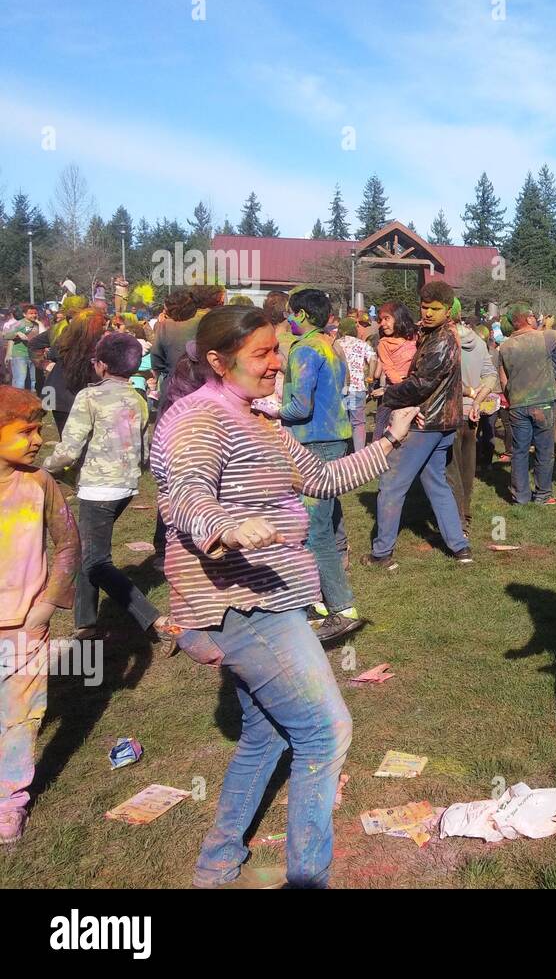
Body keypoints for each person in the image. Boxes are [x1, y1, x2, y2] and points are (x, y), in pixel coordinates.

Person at [150, 305, 415, 887]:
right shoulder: (198, 421)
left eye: (278, 349)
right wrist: (223, 526)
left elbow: (320, 479)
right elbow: (186, 496)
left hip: (270, 593)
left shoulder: (254, 420)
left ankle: (217, 866)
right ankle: (308, 879)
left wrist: (391, 441)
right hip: (242, 601)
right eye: (263, 354)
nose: (277, 364)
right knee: (325, 731)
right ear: (218, 361)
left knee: (265, 734)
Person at [41, 332, 172, 651]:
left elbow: (69, 450)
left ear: (100, 365)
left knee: (97, 561)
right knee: (89, 551)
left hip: (98, 488)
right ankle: (85, 624)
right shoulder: (138, 399)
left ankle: (154, 619)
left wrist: (43, 468)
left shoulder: (89, 397)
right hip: (127, 485)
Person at [0, 386, 81, 843]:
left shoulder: (39, 483)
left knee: (21, 715)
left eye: (39, 430)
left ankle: (9, 801)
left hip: (25, 623)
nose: (37, 441)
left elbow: (68, 544)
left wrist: (48, 602)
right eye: (24, 431)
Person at [367, 281, 471, 567]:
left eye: (434, 309)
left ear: (448, 310)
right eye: (424, 307)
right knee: (436, 483)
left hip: (426, 422)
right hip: (442, 422)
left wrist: (386, 394)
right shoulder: (435, 332)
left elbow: (421, 385)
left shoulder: (442, 341)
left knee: (391, 484)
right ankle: (460, 547)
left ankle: (382, 553)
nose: (426, 313)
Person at [280, 289, 363, 642]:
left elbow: (300, 406)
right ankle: (317, 604)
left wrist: (269, 412)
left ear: (300, 315)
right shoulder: (331, 346)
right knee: (327, 519)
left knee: (315, 530)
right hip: (336, 438)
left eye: (288, 314)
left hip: (313, 443)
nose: (286, 320)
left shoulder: (304, 351)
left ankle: (342, 608)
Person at [497, 300, 556, 505]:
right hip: (543, 403)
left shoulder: (505, 346)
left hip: (518, 405)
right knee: (544, 451)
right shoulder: (545, 337)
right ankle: (543, 495)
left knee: (519, 452)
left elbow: (503, 380)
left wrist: (513, 400)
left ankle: (520, 497)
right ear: (528, 318)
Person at [449, 302, 499, 537]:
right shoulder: (477, 341)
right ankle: (464, 516)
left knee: (450, 470)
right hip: (471, 414)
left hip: (447, 413)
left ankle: (457, 522)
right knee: (466, 469)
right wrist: (477, 400)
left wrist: (470, 394)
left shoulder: (443, 340)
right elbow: (490, 375)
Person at [372, 301, 417, 443]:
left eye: (387, 319)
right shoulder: (383, 344)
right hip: (396, 392)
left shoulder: (414, 338)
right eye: (380, 320)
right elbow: (389, 369)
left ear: (399, 318)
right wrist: (405, 386)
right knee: (382, 430)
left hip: (416, 390)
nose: (383, 324)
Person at [333, 318, 377, 453]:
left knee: (343, 419)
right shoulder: (361, 344)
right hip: (357, 388)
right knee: (358, 422)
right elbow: (373, 359)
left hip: (341, 388)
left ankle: (343, 452)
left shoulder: (335, 344)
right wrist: (370, 376)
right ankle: (359, 453)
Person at [3, 306, 40, 392]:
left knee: (33, 381)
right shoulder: (18, 324)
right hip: (19, 356)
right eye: (31, 313)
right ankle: (16, 401)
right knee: (20, 381)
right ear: (24, 314)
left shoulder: (36, 324)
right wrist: (17, 333)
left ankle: (30, 401)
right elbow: (6, 335)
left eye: (35, 313)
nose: (34, 315)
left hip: (32, 355)